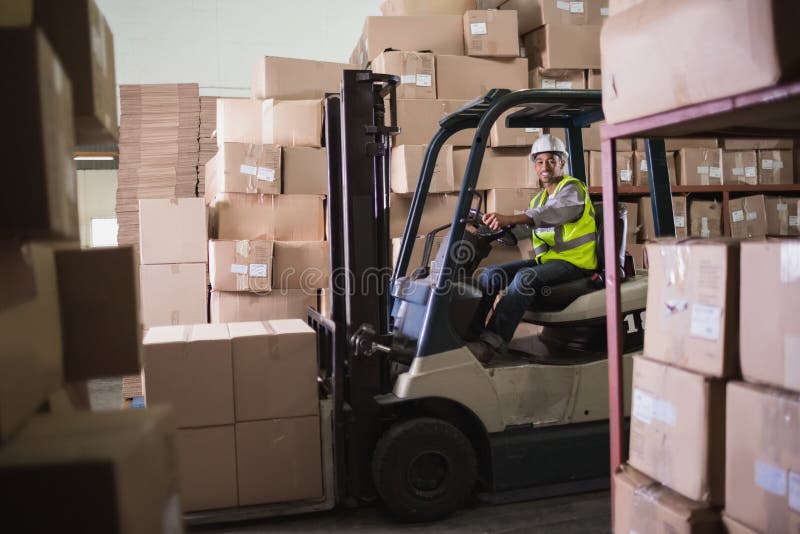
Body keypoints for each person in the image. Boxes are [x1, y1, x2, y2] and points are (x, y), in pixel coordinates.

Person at [468, 134, 598, 363]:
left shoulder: (573, 189)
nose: (544, 167)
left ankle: (492, 343)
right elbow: (527, 228)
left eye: (551, 161)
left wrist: (510, 218)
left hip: (576, 264)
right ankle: (471, 336)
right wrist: (495, 229)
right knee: (491, 274)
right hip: (549, 262)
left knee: (524, 278)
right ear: (535, 166)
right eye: (539, 161)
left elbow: (550, 214)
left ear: (562, 163)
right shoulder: (538, 200)